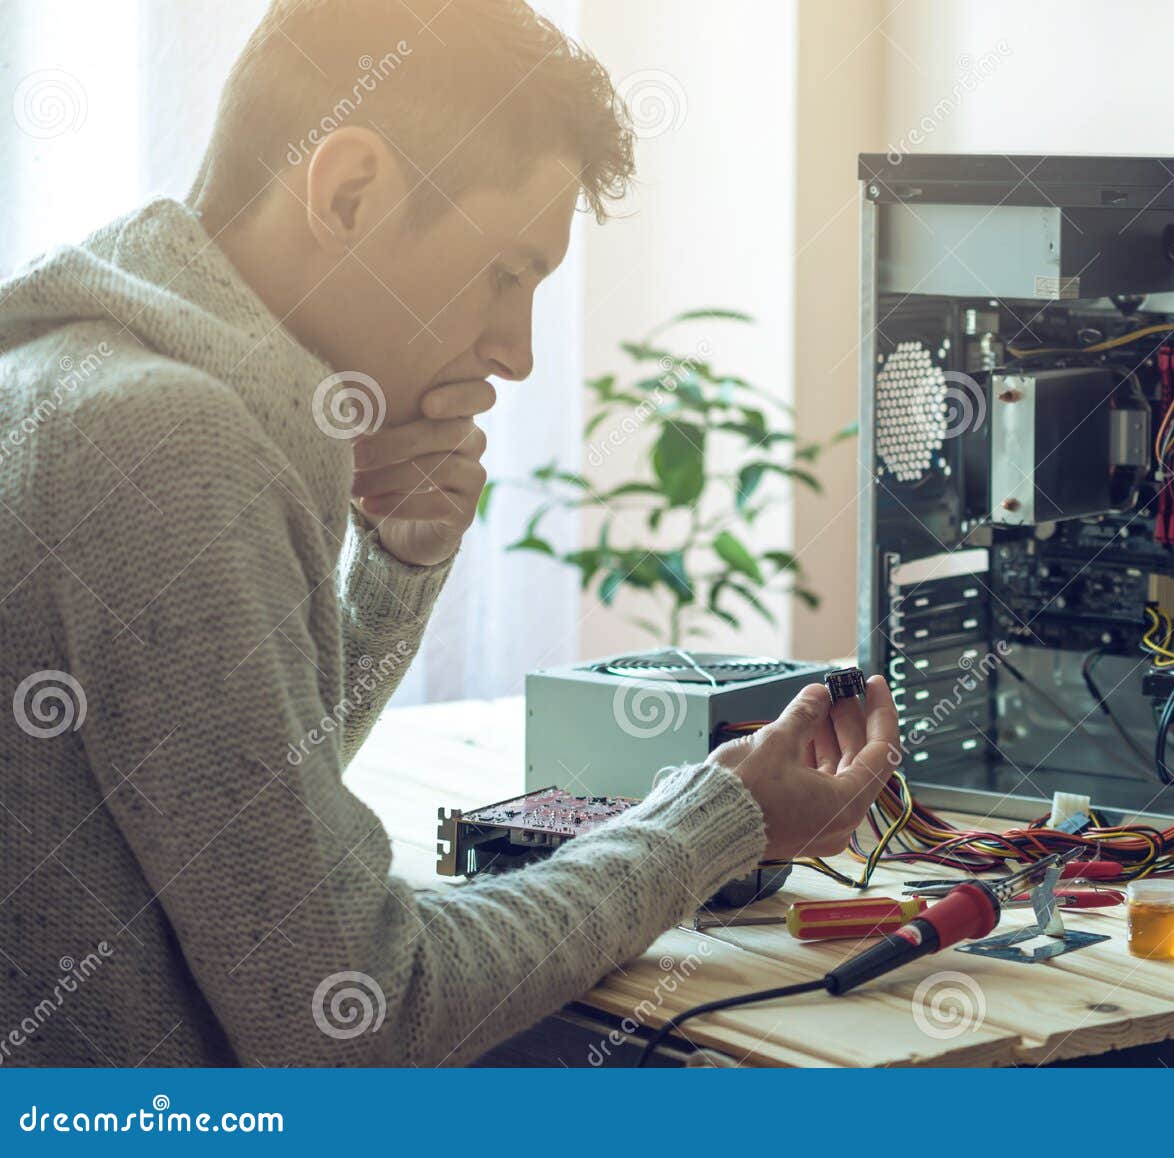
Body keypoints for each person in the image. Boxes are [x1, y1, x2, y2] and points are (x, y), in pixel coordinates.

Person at [0, 0, 898, 1066]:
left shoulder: (65, 377)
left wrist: (394, 567)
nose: (515, 353)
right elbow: (362, 1014)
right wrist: (713, 821)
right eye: (506, 273)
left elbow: (214, 819)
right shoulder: (172, 444)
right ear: (347, 192)